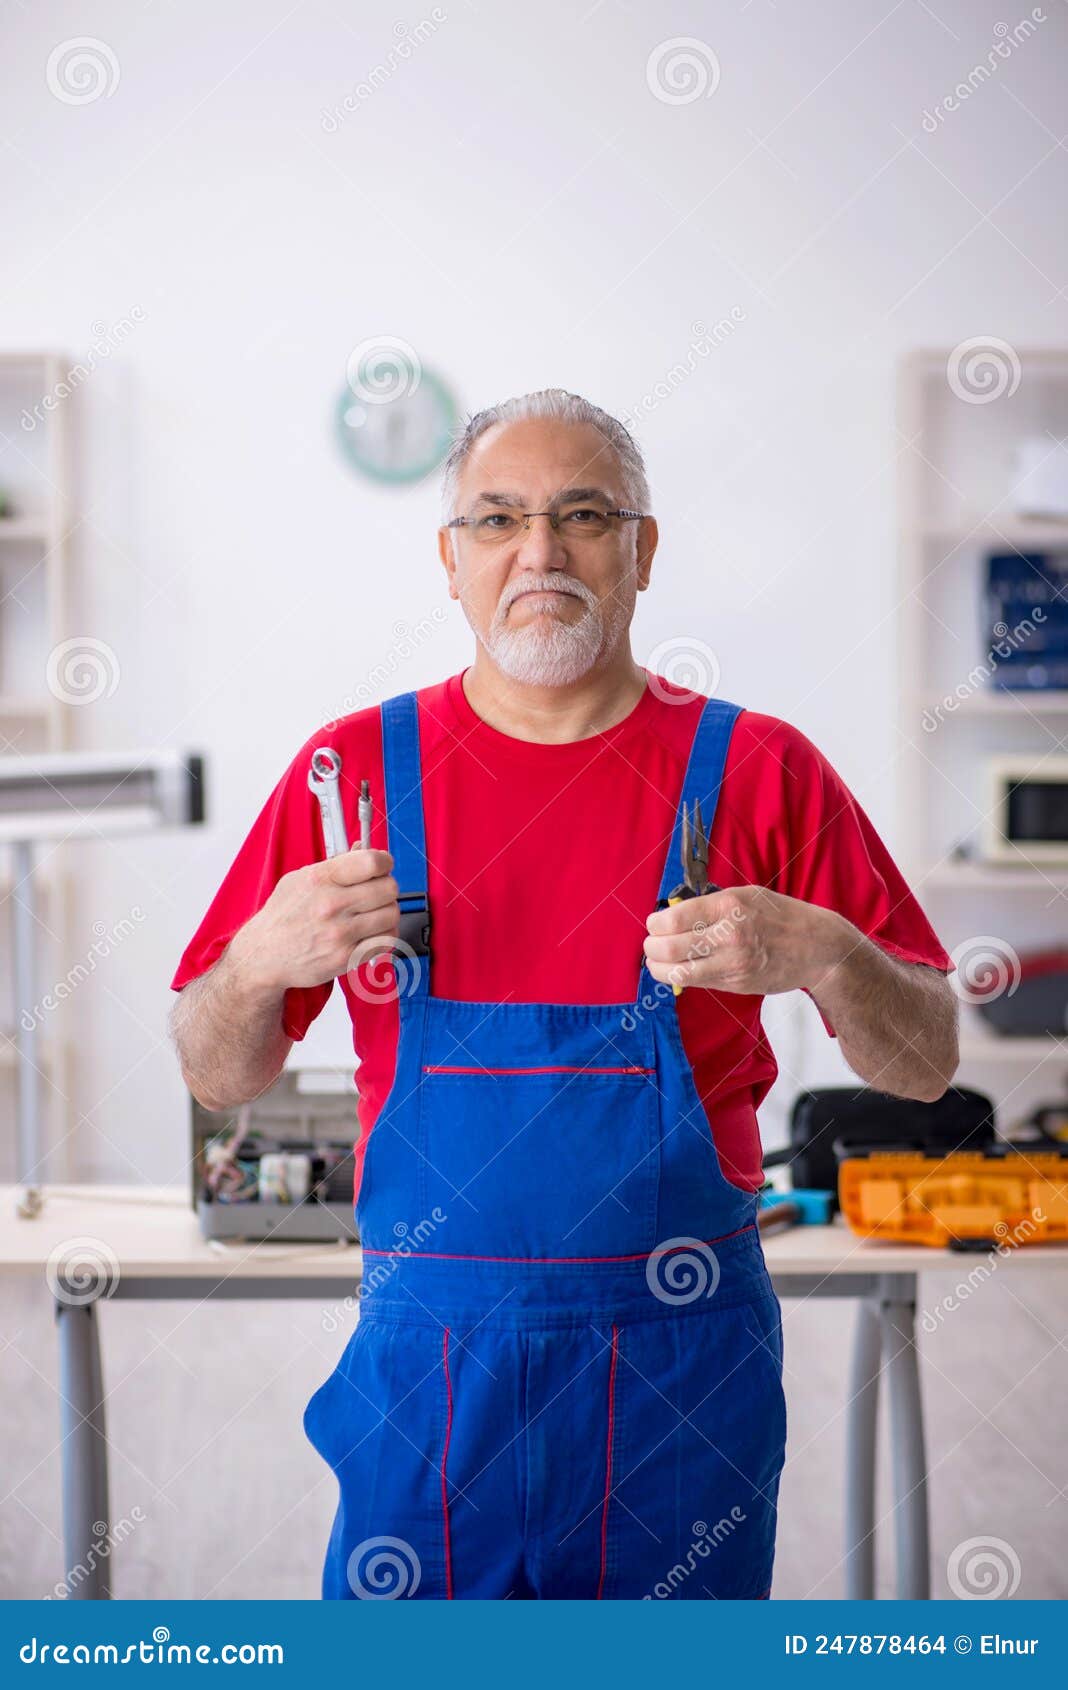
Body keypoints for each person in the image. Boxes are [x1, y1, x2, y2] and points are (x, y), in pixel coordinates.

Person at [169, 388, 958, 1600]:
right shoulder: (350, 776)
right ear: (451, 559)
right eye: (498, 519)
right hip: (430, 1380)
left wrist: (834, 956)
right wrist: (261, 957)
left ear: (642, 549)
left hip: (678, 1386)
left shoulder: (760, 769)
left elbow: (926, 1061)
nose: (540, 551)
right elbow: (215, 1070)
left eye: (583, 514)